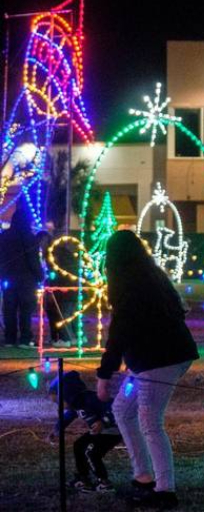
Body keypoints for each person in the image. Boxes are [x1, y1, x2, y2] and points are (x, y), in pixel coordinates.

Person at [96, 229, 200, 509]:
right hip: (158, 358)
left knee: (150, 421)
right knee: (122, 410)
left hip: (159, 361)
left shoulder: (129, 285)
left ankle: (165, 490)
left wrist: (104, 375)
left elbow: (119, 333)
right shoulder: (151, 276)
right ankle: (143, 476)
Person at [49, 371, 121, 493]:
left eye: (59, 401)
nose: (59, 405)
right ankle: (83, 478)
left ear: (68, 394)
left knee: (91, 453)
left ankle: (104, 483)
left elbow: (115, 407)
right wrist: (56, 429)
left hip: (112, 432)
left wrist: (103, 422)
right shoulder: (75, 405)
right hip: (98, 432)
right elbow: (67, 417)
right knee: (79, 445)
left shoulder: (91, 399)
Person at [1, 206, 44, 348]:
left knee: (9, 309)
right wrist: (40, 275)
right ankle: (25, 339)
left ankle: (10, 338)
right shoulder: (30, 237)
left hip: (8, 279)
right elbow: (33, 260)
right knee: (26, 310)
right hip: (27, 280)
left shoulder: (4, 236)